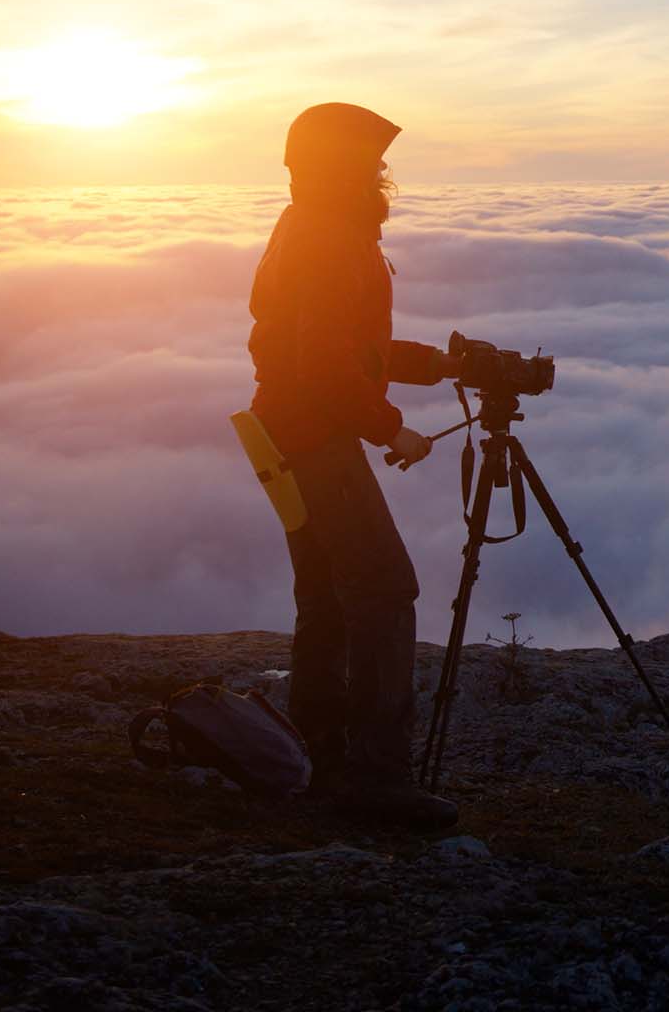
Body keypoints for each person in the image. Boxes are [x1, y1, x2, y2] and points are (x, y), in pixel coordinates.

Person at [247, 102, 460, 830]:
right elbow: (327, 368)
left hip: (282, 432)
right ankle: (377, 781)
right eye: (371, 162)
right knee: (384, 589)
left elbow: (338, 349)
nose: (383, 174)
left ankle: (320, 752)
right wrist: (391, 429)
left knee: (329, 593)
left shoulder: (303, 224)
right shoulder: (334, 238)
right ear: (343, 168)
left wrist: (441, 364)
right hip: (315, 436)